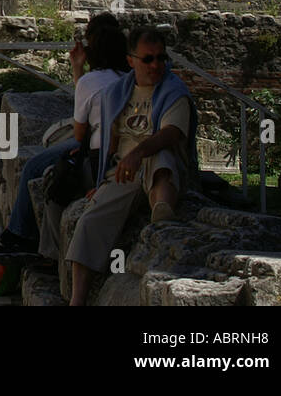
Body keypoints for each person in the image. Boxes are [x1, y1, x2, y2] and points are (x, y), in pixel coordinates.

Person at [0, 15, 127, 261]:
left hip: (97, 150)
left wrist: (78, 69)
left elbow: (81, 132)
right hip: (116, 147)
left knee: (33, 166)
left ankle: (18, 235)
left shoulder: (92, 80)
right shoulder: (129, 76)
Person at [66, 28, 194, 306]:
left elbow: (170, 133)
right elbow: (110, 143)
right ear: (131, 60)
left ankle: (162, 211)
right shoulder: (117, 92)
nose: (156, 65)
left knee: (160, 158)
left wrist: (137, 153)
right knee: (88, 222)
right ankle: (77, 300)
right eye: (148, 59)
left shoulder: (174, 92)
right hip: (123, 170)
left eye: (161, 58)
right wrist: (101, 183)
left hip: (156, 160)